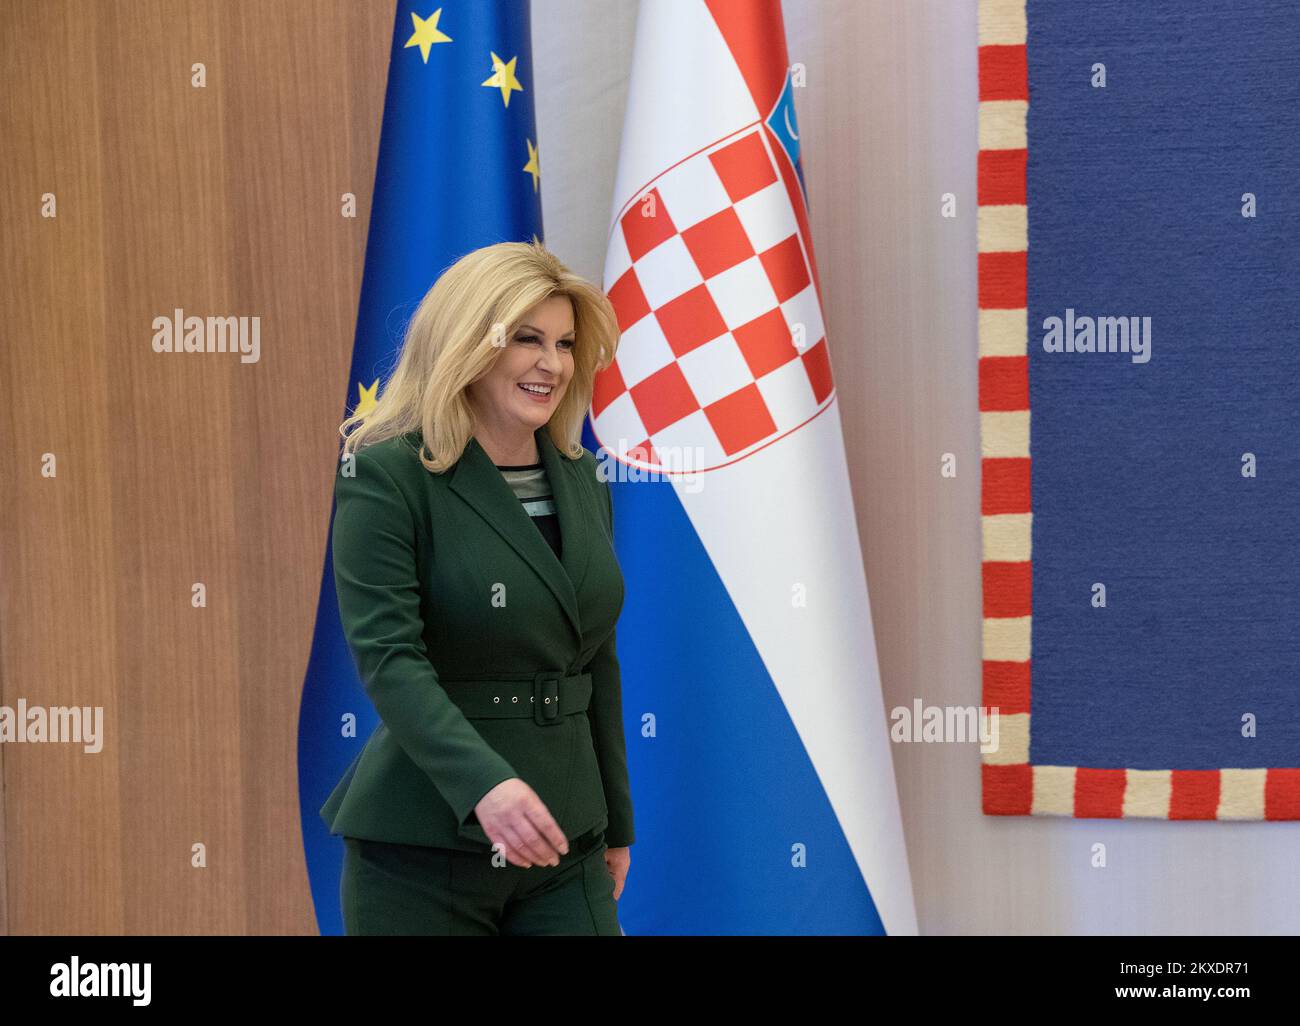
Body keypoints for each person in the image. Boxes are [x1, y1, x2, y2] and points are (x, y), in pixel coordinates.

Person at [319, 240, 634, 935]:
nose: (551, 363)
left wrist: (615, 821)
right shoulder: (387, 477)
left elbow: (596, 657)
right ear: (469, 341)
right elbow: (390, 657)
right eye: (526, 339)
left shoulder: (580, 476)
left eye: (563, 343)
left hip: (566, 841)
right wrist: (483, 786)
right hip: (423, 850)